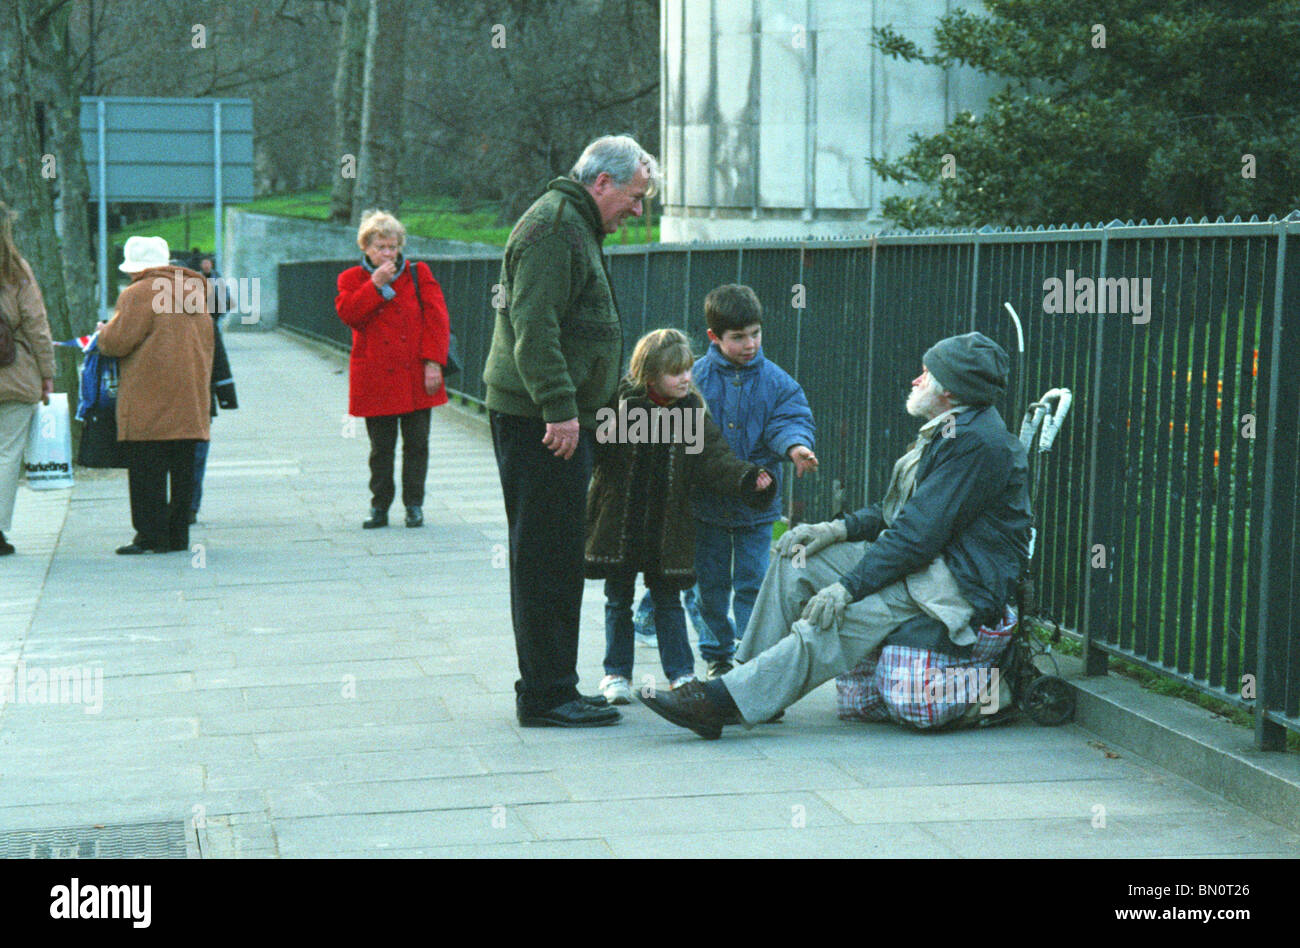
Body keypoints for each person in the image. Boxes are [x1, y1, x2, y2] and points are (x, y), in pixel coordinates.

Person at [640, 331, 1033, 739]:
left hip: (955, 580)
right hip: (925, 563)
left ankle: (720, 704)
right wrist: (832, 530)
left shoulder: (974, 442)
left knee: (831, 620)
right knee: (796, 557)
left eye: (925, 373)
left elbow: (917, 537)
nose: (916, 381)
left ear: (950, 389)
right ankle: (748, 680)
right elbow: (895, 514)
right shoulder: (952, 428)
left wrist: (847, 589)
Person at [484, 134, 659, 728]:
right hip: (542, 421)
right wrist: (561, 408)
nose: (639, 209)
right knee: (545, 556)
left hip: (554, 417)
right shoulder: (558, 227)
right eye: (636, 196)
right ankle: (544, 694)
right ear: (602, 182)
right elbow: (535, 327)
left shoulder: (572, 222)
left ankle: (556, 683)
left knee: (556, 552)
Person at [587, 329, 775, 704]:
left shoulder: (691, 412)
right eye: (676, 373)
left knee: (668, 601)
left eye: (688, 370)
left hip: (667, 530)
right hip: (620, 525)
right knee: (617, 600)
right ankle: (616, 674)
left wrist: (748, 477)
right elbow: (596, 452)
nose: (686, 378)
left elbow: (713, 459)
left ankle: (681, 674)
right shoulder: (622, 406)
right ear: (650, 375)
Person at [689, 284, 817, 680]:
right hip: (706, 500)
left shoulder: (777, 381)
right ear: (714, 337)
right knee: (708, 584)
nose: (750, 344)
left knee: (754, 582)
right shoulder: (694, 377)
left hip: (757, 501)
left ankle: (751, 657)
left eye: (755, 334)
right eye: (738, 337)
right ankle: (717, 653)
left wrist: (796, 447)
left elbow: (790, 418)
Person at [98, 236, 214, 554]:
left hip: (150, 397)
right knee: (182, 467)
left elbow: (117, 342)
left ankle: (150, 535)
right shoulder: (195, 290)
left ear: (138, 269)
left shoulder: (139, 293)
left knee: (146, 468)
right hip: (190, 396)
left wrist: (102, 331)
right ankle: (177, 535)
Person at [335, 210, 450, 529]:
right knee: (381, 448)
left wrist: (433, 362)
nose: (388, 253)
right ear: (366, 248)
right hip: (376, 375)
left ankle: (414, 505)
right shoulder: (350, 279)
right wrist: (375, 284)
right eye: (381, 247)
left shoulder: (418, 273)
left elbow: (437, 319)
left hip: (415, 372)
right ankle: (379, 507)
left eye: (393, 246)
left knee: (418, 444)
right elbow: (350, 315)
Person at [0, 203, 56, 557]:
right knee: (6, 454)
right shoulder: (15, 270)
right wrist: (47, 373)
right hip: (14, 373)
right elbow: (36, 324)